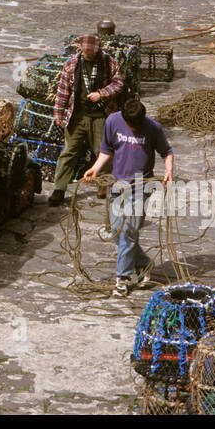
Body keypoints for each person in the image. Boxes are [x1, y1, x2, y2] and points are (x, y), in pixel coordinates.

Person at [83, 98, 174, 297]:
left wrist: (168, 170)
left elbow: (166, 152)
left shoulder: (153, 128)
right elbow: (106, 150)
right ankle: (143, 263)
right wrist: (95, 169)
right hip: (117, 185)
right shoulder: (112, 122)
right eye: (130, 125)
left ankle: (121, 279)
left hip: (141, 187)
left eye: (137, 125)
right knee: (117, 232)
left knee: (128, 232)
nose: (133, 128)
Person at [47, 34, 124, 207]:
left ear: (98, 49)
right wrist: (58, 113)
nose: (88, 54)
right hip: (78, 115)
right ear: (80, 48)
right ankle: (59, 188)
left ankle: (103, 184)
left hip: (100, 116)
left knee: (102, 151)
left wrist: (101, 94)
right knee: (69, 151)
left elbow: (119, 83)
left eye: (92, 52)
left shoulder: (108, 62)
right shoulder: (71, 64)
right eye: (86, 51)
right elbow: (63, 90)